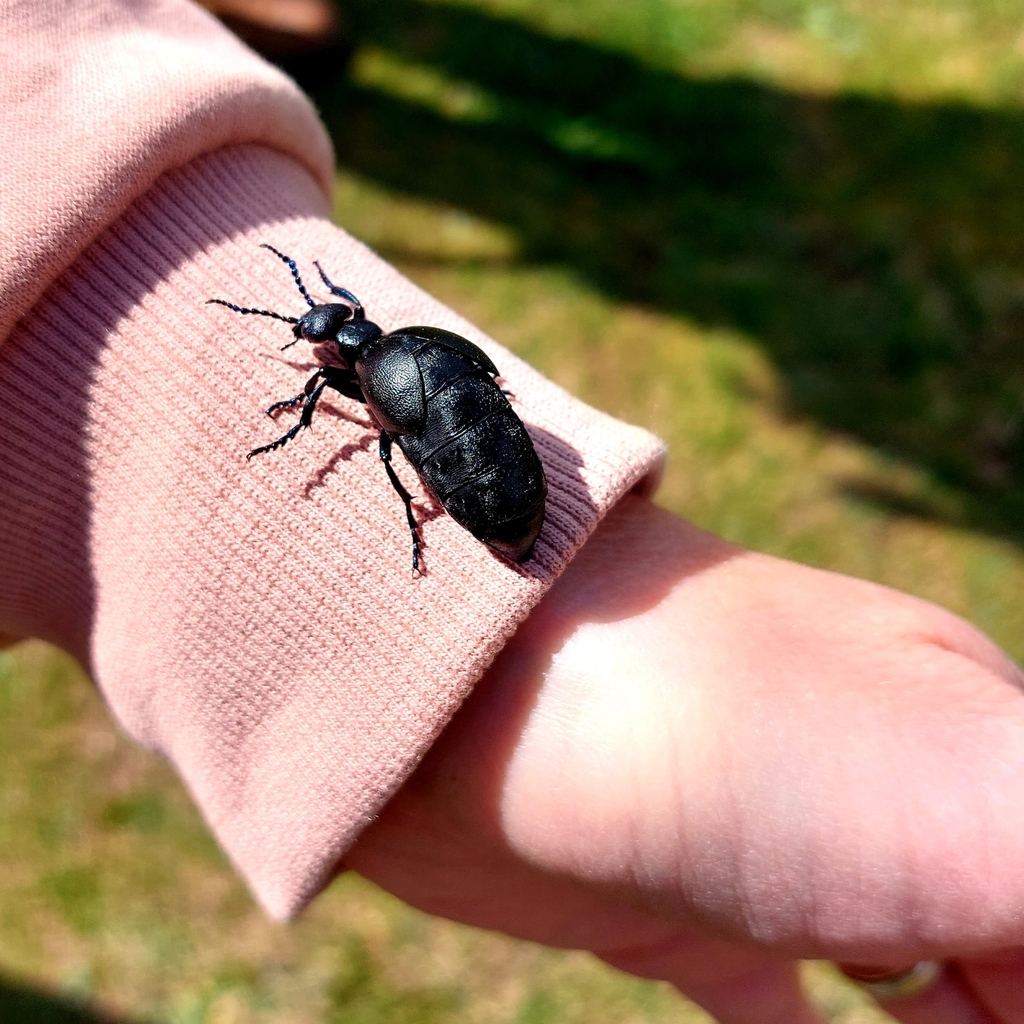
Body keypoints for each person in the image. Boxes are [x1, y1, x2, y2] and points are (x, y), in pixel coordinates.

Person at [2, 2, 1024, 1022]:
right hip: (503, 487)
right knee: (414, 434)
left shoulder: (367, 369)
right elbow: (469, 390)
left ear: (333, 339)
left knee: (406, 445)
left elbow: (427, 419)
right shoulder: (400, 346)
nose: (315, 347)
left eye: (315, 333)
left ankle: (425, 533)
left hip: (494, 498)